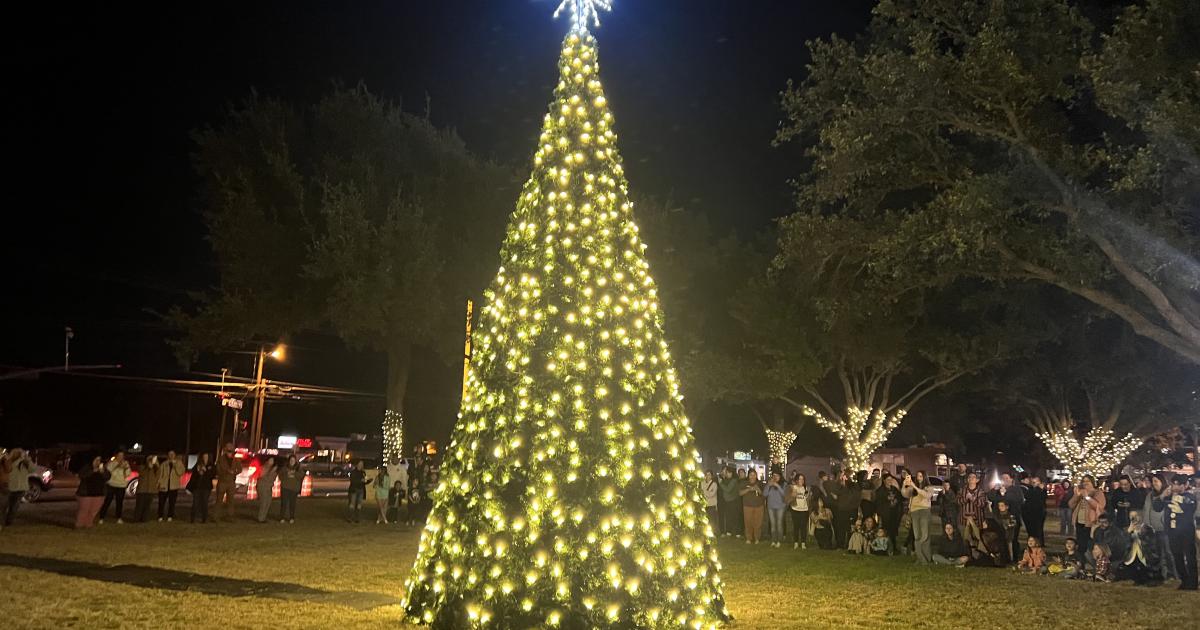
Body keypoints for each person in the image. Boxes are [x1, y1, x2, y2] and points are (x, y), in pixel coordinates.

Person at [1154, 473, 1198, 590]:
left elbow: (1189, 507)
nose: (1175, 487)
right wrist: (1163, 495)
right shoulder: (1168, 496)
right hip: (1172, 531)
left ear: (1185, 485)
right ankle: (1184, 580)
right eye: (1174, 484)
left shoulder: (1190, 496)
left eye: (1179, 484)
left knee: (1190, 557)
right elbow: (1157, 507)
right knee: (1177, 556)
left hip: (1186, 531)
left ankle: (1193, 582)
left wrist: (1177, 498)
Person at [1142, 472, 1177, 581]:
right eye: (1153, 481)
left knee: (1168, 552)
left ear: (1162, 482)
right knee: (1157, 552)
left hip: (1165, 528)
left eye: (1156, 481)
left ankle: (1173, 574)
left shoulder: (1168, 495)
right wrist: (1146, 523)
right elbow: (1146, 509)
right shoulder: (1150, 495)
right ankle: (1162, 574)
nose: (1154, 484)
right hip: (1153, 528)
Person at [1113, 511, 1162, 586]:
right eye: (1132, 516)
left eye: (1136, 516)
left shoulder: (1148, 528)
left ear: (1141, 517)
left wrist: (1139, 533)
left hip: (1145, 554)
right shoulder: (1128, 529)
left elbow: (1150, 543)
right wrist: (1128, 532)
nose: (1134, 519)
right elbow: (1123, 544)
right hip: (1132, 554)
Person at [987, 472, 1025, 562]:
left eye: (1007, 478)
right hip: (999, 519)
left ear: (1011, 479)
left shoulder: (1016, 489)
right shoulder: (998, 489)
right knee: (1000, 538)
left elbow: (1018, 500)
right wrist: (994, 490)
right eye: (1003, 478)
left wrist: (1005, 494)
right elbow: (990, 498)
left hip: (1012, 519)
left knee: (1013, 539)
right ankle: (1003, 557)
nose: (1005, 480)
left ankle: (1014, 557)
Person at [1068, 475, 1106, 554]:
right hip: (1079, 522)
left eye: (1087, 481)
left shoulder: (1098, 493)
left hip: (1091, 523)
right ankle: (1080, 561)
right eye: (1084, 481)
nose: (1085, 483)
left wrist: (1087, 497)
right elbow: (1071, 505)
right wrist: (1076, 496)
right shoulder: (1081, 492)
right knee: (1080, 544)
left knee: (1088, 544)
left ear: (1092, 482)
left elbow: (1099, 507)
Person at [902, 470, 934, 564]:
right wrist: (905, 485)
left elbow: (927, 495)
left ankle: (926, 557)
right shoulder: (913, 488)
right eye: (918, 476)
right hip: (914, 511)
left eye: (921, 476)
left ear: (925, 477)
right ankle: (920, 558)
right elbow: (905, 494)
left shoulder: (929, 487)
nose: (919, 478)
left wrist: (915, 487)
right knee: (917, 535)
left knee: (925, 535)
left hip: (924, 511)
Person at [3, 448, 34, 528]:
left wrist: (28, 460)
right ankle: (3, 521)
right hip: (10, 487)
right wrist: (20, 459)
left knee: (14, 507)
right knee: (5, 505)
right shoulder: (10, 462)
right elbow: (10, 468)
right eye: (19, 454)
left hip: (21, 488)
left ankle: (8, 522)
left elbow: (32, 470)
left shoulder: (25, 463)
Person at [75, 456, 108, 529]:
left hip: (99, 493)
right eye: (96, 460)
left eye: (99, 460)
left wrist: (102, 472)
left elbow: (108, 477)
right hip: (86, 493)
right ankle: (79, 524)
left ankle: (89, 524)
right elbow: (82, 475)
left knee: (93, 510)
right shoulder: (87, 468)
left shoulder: (102, 469)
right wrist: (93, 470)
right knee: (84, 510)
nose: (97, 462)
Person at [98, 451, 131, 524]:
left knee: (119, 502)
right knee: (107, 501)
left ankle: (118, 517)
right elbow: (108, 471)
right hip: (111, 484)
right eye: (119, 455)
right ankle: (101, 517)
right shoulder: (112, 463)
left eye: (122, 456)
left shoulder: (126, 463)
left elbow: (128, 474)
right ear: (116, 456)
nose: (120, 457)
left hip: (121, 485)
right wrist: (117, 466)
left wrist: (126, 468)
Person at [957, 472, 988, 548]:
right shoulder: (962, 490)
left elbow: (982, 504)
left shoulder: (981, 491)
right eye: (969, 477)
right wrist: (965, 498)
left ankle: (978, 556)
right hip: (964, 520)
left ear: (977, 480)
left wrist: (973, 499)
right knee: (965, 539)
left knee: (977, 539)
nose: (971, 479)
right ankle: (967, 555)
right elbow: (958, 501)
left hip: (976, 520)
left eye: (973, 477)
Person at [786, 473, 812, 550]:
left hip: (804, 510)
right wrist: (792, 496)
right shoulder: (793, 487)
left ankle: (803, 543)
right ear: (796, 480)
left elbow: (808, 499)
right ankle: (796, 542)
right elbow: (788, 499)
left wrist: (808, 496)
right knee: (796, 527)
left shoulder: (806, 488)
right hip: (795, 509)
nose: (801, 480)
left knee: (803, 527)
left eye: (803, 479)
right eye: (800, 479)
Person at [214, 445, 240, 521]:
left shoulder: (236, 460)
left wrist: (234, 472)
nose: (231, 453)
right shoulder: (221, 460)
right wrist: (226, 472)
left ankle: (230, 516)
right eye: (229, 451)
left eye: (232, 451)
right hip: (222, 482)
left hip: (231, 482)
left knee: (231, 501)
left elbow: (240, 469)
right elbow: (218, 470)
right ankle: (215, 516)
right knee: (219, 500)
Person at [739, 469, 765, 544]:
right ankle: (749, 538)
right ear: (748, 476)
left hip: (759, 506)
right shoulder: (744, 483)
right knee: (748, 522)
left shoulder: (760, 483)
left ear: (756, 475)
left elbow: (763, 494)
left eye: (754, 475)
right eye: (751, 475)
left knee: (758, 523)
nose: (752, 477)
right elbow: (740, 493)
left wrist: (758, 489)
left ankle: (757, 538)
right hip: (747, 506)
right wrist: (748, 489)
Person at [157, 450, 184, 521]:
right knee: (161, 502)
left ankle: (170, 516)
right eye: (170, 454)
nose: (171, 455)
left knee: (172, 502)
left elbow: (180, 473)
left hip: (174, 486)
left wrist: (175, 466)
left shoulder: (179, 463)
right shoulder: (164, 464)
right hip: (164, 485)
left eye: (172, 454)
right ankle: (160, 516)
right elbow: (160, 474)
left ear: (175, 455)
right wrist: (159, 483)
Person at [1020, 475, 1047, 546]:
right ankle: (1032, 542)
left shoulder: (1040, 490)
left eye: (1036, 481)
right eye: (1033, 481)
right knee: (1031, 530)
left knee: (1038, 529)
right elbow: (1029, 497)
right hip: (1029, 513)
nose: (1034, 483)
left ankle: (1039, 543)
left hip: (1038, 513)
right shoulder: (1029, 489)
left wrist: (1039, 489)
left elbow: (1040, 499)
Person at [188, 453, 214, 523]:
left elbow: (213, 475)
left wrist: (206, 471)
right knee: (195, 503)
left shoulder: (211, 465)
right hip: (197, 487)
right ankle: (192, 518)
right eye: (204, 457)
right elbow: (193, 477)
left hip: (206, 488)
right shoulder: (198, 465)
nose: (205, 458)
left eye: (207, 457)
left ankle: (204, 519)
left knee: (204, 503)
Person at [763, 471, 787, 547]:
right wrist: (768, 485)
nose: (775, 477)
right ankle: (773, 540)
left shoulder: (784, 484)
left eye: (777, 476)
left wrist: (777, 486)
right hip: (770, 506)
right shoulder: (769, 484)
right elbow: (765, 494)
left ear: (780, 477)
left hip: (780, 506)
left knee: (779, 524)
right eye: (774, 475)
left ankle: (779, 541)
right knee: (773, 524)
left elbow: (784, 494)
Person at [717, 467, 743, 537]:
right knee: (729, 517)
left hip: (733, 501)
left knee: (735, 517)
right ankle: (729, 531)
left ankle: (737, 532)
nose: (727, 474)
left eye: (728, 473)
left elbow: (728, 489)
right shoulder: (726, 479)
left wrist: (720, 483)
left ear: (732, 473)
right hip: (727, 501)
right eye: (726, 473)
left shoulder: (734, 480)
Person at [133, 455, 159, 522]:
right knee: (139, 505)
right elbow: (141, 473)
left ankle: (144, 519)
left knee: (147, 506)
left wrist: (155, 465)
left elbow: (158, 475)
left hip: (151, 490)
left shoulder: (155, 468)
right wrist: (148, 467)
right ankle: (136, 519)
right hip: (142, 489)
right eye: (149, 459)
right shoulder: (142, 467)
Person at [278, 455, 302, 524]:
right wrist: (286, 474)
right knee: (284, 503)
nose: (292, 462)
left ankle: (291, 517)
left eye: (293, 460)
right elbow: (280, 476)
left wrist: (295, 473)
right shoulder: (285, 468)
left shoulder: (298, 468)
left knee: (292, 504)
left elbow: (301, 476)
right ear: (289, 461)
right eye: (291, 460)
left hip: (294, 489)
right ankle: (282, 517)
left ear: (295, 461)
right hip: (285, 488)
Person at [255, 456, 278, 523]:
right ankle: (260, 518)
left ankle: (263, 517)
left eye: (272, 460)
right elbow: (261, 475)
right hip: (262, 487)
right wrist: (271, 471)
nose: (271, 462)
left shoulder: (274, 468)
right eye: (270, 460)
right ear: (267, 461)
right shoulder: (264, 467)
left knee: (268, 502)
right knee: (264, 502)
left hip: (269, 487)